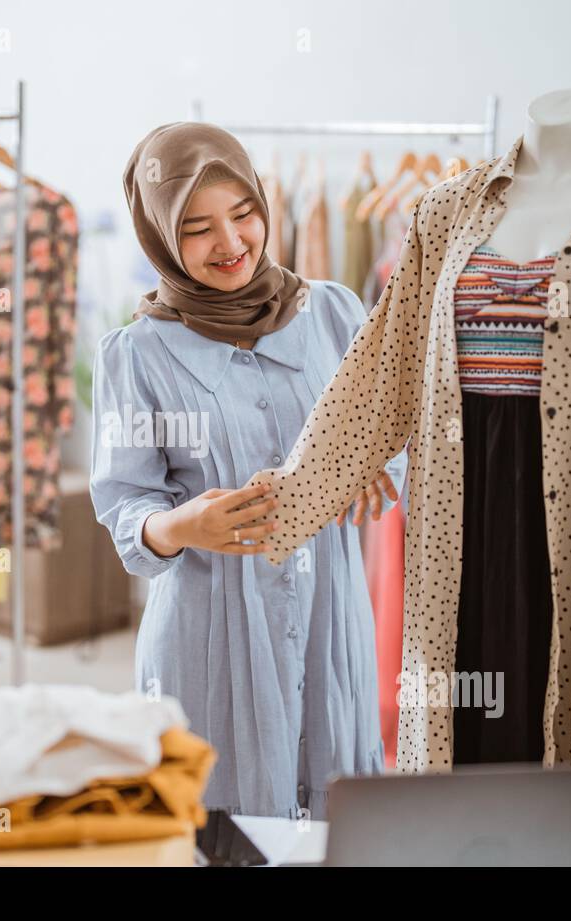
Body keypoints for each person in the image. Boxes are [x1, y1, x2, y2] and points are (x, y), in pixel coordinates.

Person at [90, 122, 407, 819]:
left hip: (330, 611)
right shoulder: (136, 355)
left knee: (335, 821)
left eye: (243, 214)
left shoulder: (334, 313)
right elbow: (125, 508)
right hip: (209, 631)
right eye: (198, 228)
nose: (230, 244)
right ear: (161, 236)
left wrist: (374, 476)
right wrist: (185, 524)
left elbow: (390, 443)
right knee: (221, 825)